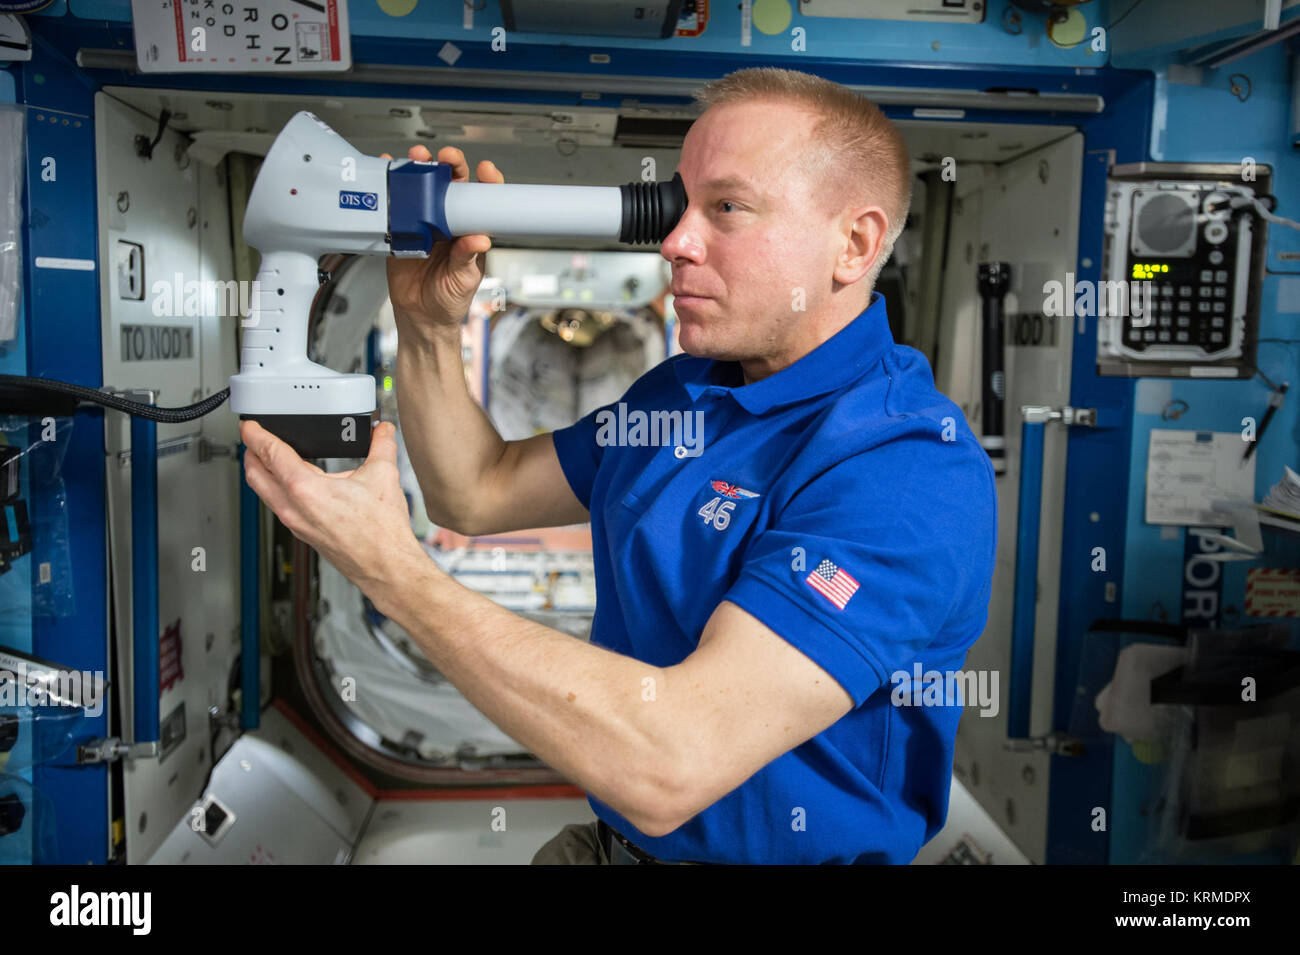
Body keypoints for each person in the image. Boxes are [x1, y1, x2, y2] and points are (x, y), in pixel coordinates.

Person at [239, 66, 997, 865]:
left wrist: (393, 572)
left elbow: (670, 760)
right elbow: (475, 489)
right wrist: (427, 323)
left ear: (856, 242)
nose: (675, 241)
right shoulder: (689, 390)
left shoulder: (907, 470)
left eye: (728, 209)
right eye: (680, 204)